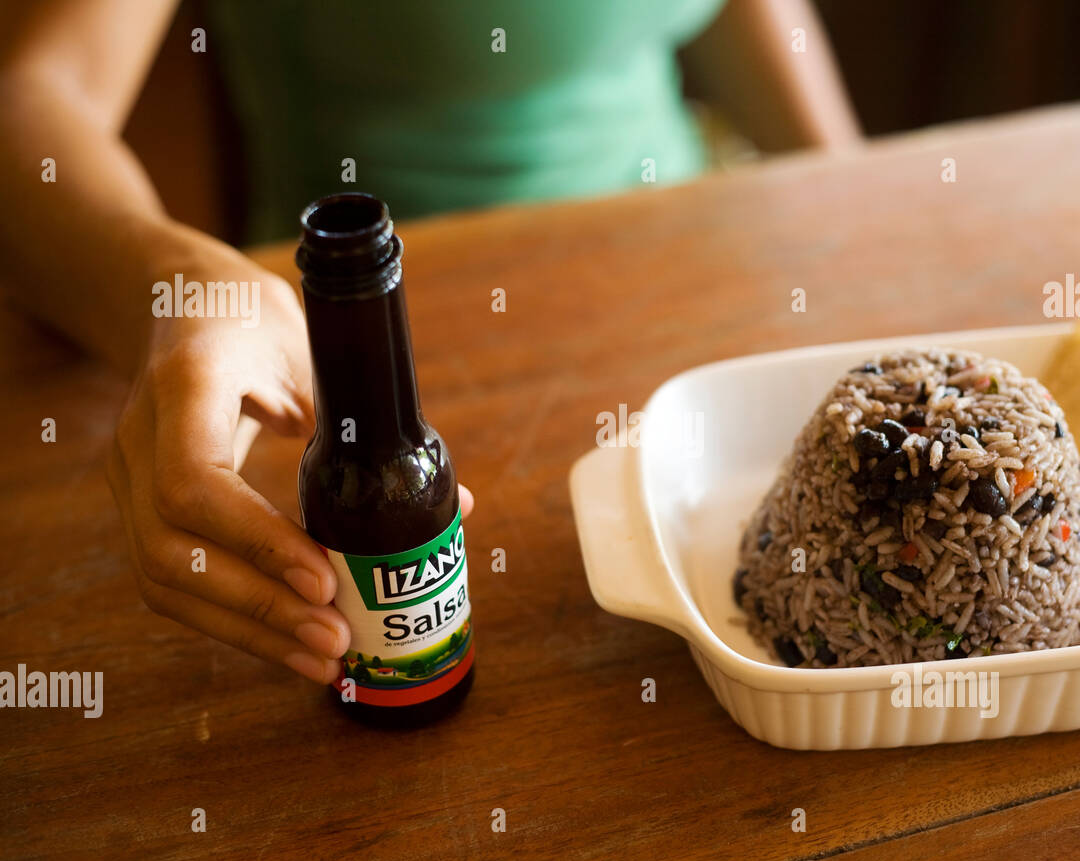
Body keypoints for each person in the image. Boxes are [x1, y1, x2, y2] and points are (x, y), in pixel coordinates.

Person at [0, 0, 860, 685]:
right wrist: (182, 288)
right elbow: (29, 102)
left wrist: (857, 197)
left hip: (703, 296)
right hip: (404, 339)